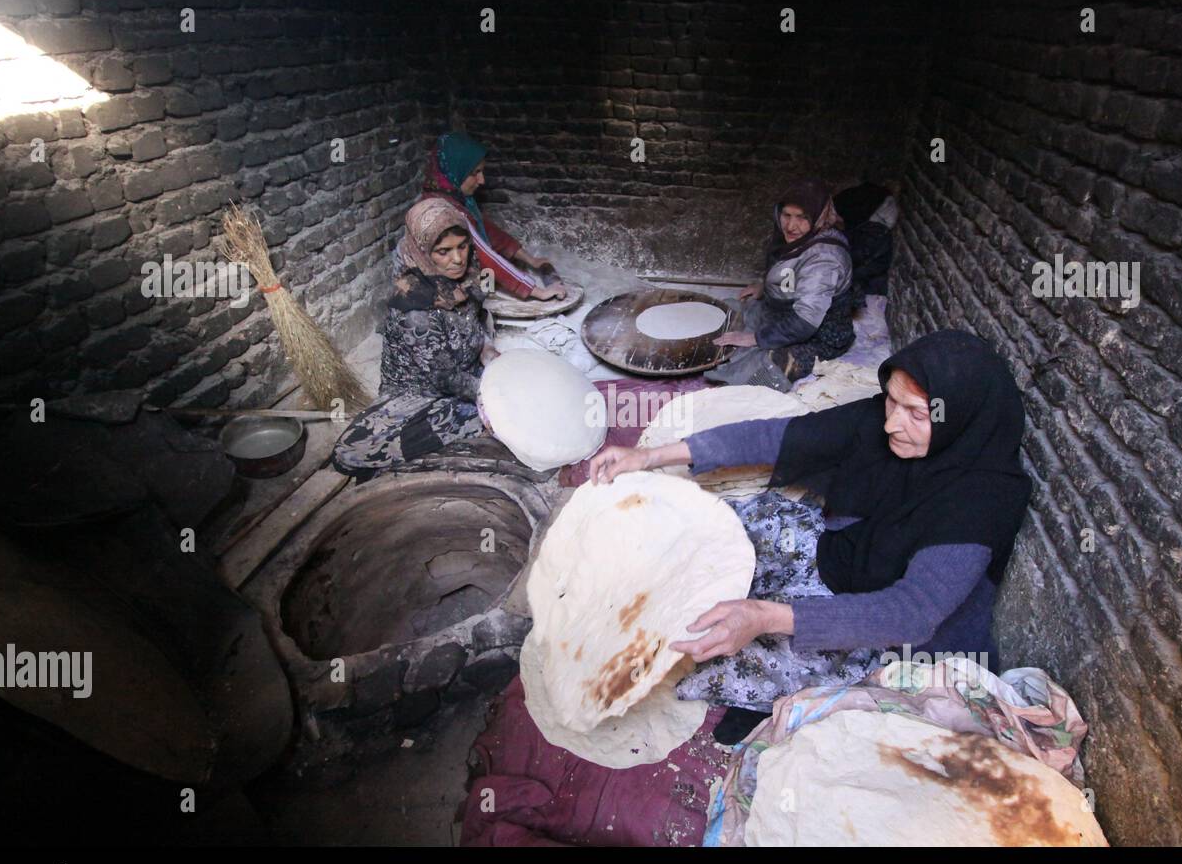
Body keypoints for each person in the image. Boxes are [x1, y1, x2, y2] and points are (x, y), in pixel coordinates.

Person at [588, 330, 1032, 743]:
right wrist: (649, 455)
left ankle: (772, 694)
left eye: (916, 413)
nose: (893, 423)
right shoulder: (882, 422)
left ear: (961, 418)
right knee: (711, 536)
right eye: (891, 403)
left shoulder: (984, 498)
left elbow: (911, 613)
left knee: (698, 655)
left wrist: (764, 616)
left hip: (884, 635)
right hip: (842, 550)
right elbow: (782, 437)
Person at [334, 200, 498, 477]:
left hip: (464, 374)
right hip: (417, 394)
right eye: (443, 252)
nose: (457, 259)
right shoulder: (414, 307)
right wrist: (491, 395)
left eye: (462, 246)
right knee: (351, 452)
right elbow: (445, 379)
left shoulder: (465, 279)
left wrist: (487, 348)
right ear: (422, 252)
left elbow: (476, 321)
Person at [707, 178, 855, 390]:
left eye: (802, 218)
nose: (791, 226)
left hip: (817, 334)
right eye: (787, 215)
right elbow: (792, 273)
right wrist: (764, 286)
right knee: (727, 312)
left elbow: (806, 320)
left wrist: (755, 338)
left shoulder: (825, 258)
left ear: (819, 218)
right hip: (785, 314)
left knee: (758, 371)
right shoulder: (802, 239)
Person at [392, 131, 567, 302]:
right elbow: (485, 255)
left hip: (454, 274)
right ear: (456, 170)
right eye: (475, 173)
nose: (482, 180)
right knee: (489, 290)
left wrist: (531, 260)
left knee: (499, 274)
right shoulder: (446, 213)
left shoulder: (452, 196)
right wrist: (536, 291)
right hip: (441, 289)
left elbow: (487, 231)